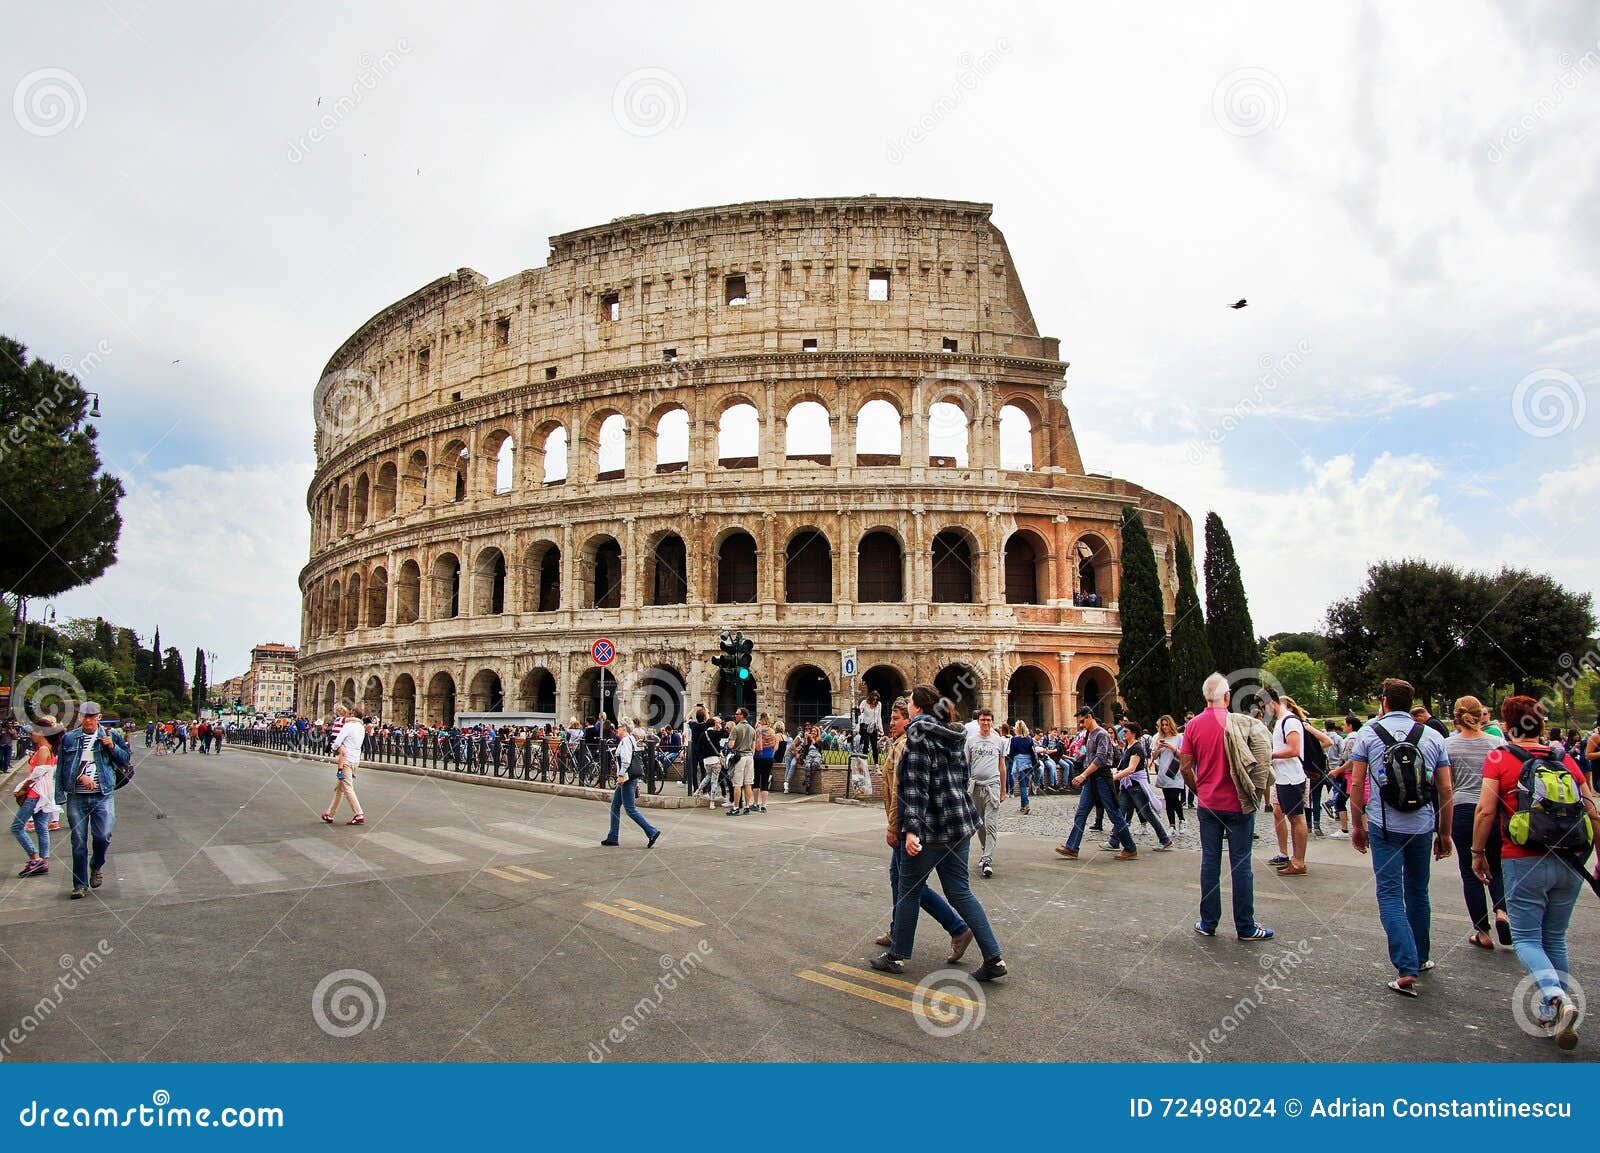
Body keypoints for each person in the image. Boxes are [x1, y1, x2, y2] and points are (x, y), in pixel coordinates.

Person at [1474, 695, 1596, 1049]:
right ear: (1541, 725)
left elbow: (1485, 811)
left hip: (1524, 856)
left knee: (1527, 939)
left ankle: (1558, 998)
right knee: (1555, 937)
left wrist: (1477, 852)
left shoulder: (1499, 757)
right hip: (1571, 859)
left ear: (1506, 724)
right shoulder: (1565, 758)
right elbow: (1592, 809)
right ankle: (1551, 1008)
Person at [871, 685, 1006, 982]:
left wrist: (911, 830)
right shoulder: (954, 735)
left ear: (918, 708)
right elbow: (959, 779)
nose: (907, 708)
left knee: (908, 889)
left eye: (909, 704)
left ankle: (896, 955)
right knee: (960, 892)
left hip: (931, 829)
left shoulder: (917, 737)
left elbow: (915, 787)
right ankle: (994, 957)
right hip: (959, 825)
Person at [1346, 678, 1454, 997]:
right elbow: (1446, 788)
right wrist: (1444, 833)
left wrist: (1357, 824)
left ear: (1384, 701)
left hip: (1385, 824)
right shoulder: (1433, 736)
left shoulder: (1368, 734)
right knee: (1418, 891)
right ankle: (1420, 957)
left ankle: (1405, 967)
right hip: (1422, 825)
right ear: (1412, 702)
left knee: (1390, 894)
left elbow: (1356, 783)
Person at [874, 697, 973, 962]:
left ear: (910, 718)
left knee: (909, 884)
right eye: (891, 718)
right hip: (914, 826)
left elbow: (903, 792)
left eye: (896, 718)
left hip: (912, 827)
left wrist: (896, 827)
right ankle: (900, 931)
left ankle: (956, 928)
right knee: (902, 880)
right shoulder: (900, 744)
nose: (891, 723)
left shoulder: (909, 744)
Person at [1179, 673, 1274, 941]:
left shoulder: (1194, 725)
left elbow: (1185, 767)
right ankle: (1245, 926)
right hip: (1238, 804)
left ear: (1204, 697)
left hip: (1209, 804)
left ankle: (1208, 922)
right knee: (1241, 864)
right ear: (1227, 696)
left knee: (1210, 862)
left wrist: (1200, 790)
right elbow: (1262, 757)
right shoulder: (1241, 724)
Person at [1444, 696, 1510, 950]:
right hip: (1491, 809)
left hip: (1461, 809)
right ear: (1480, 714)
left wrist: (1443, 826)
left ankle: (1482, 931)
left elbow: (1447, 786)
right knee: (1496, 866)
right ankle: (1502, 910)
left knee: (1469, 871)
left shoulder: (1448, 745)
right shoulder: (1496, 743)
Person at [53, 703, 131, 900]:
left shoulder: (111, 736)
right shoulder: (70, 738)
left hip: (102, 794)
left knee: (103, 835)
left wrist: (112, 747)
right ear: (80, 717)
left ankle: (96, 865)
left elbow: (125, 759)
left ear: (99, 717)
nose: (88, 719)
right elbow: (62, 765)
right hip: (77, 796)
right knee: (78, 842)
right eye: (85, 716)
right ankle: (79, 884)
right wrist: (64, 791)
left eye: (92, 716)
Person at [1056, 706, 1138, 861]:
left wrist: (1083, 775)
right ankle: (1072, 847)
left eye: (1082, 721)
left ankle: (1130, 847)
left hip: (1102, 778)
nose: (1080, 725)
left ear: (1089, 717)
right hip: (1091, 779)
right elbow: (1088, 756)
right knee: (1081, 813)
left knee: (1114, 813)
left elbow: (1100, 759)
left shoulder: (1102, 734)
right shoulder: (1089, 734)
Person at [1262, 690, 1311, 876]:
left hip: (1291, 777)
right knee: (1291, 817)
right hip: (1284, 777)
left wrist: (1269, 754)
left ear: (1272, 703)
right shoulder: (1283, 722)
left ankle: (1298, 861)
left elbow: (1294, 749)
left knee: (1296, 818)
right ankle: (1295, 859)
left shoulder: (1289, 721)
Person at [601, 720, 662, 848]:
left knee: (630, 809)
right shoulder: (631, 741)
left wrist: (621, 776)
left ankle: (651, 831)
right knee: (615, 806)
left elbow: (626, 761)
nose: (617, 730)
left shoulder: (626, 741)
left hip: (627, 778)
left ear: (624, 729)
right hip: (629, 777)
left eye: (619, 728)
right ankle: (612, 837)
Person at [12, 717, 61, 878]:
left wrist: (21, 788)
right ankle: (44, 861)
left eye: (33, 731)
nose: (31, 734)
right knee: (41, 827)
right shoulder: (50, 748)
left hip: (35, 794)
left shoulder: (43, 750)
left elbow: (36, 775)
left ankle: (34, 857)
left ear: (41, 733)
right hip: (44, 794)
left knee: (17, 827)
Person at [1114, 722, 1174, 850]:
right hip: (1128, 786)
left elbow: (1131, 769)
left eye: (1126, 731)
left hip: (1135, 786)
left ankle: (1164, 839)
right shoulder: (1129, 746)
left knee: (1147, 813)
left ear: (1133, 733)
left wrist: (1114, 777)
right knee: (1120, 812)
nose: (1123, 734)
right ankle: (1114, 840)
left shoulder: (1136, 748)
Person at [964, 708, 1007, 879]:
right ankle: (985, 851)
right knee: (979, 824)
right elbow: (964, 763)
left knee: (990, 824)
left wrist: (1004, 789)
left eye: (988, 720)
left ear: (992, 722)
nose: (985, 723)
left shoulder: (998, 740)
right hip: (975, 786)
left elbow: (1002, 766)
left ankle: (987, 859)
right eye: (983, 720)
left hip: (993, 786)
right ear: (978, 721)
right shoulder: (971, 740)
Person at [322, 706, 367, 826]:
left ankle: (359, 814)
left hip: (346, 760)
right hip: (355, 760)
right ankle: (330, 815)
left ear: (352, 715)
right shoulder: (361, 727)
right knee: (339, 789)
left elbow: (337, 741)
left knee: (347, 787)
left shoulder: (349, 726)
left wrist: (332, 748)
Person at [1153, 715, 1185, 833]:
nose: (1165, 727)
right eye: (1163, 725)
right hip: (1164, 772)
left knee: (1174, 798)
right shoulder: (1158, 738)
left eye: (1167, 724)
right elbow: (1154, 757)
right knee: (1168, 799)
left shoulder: (1179, 738)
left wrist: (1172, 748)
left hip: (1175, 772)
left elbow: (1183, 755)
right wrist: (1158, 749)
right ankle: (1172, 825)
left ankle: (1181, 819)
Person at [725, 708, 756, 815]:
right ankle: (747, 807)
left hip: (740, 757)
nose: (735, 716)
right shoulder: (752, 729)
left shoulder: (736, 728)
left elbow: (731, 745)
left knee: (737, 784)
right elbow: (753, 747)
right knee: (748, 783)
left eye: (737, 714)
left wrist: (730, 740)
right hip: (749, 758)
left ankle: (736, 807)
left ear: (742, 715)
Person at [751, 712, 776, 812]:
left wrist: (759, 751)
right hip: (769, 756)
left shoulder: (758, 730)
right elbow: (774, 744)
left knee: (756, 780)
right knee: (765, 780)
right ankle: (764, 805)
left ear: (761, 719)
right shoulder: (772, 731)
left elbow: (757, 745)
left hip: (758, 756)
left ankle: (755, 803)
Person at [857, 690, 883, 764]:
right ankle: (864, 763)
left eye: (876, 699)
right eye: (873, 699)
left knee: (875, 746)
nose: (875, 701)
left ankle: (876, 764)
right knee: (866, 744)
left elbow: (879, 717)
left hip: (873, 727)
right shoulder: (864, 703)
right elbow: (859, 712)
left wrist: (881, 729)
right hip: (865, 726)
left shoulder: (879, 705)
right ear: (870, 698)